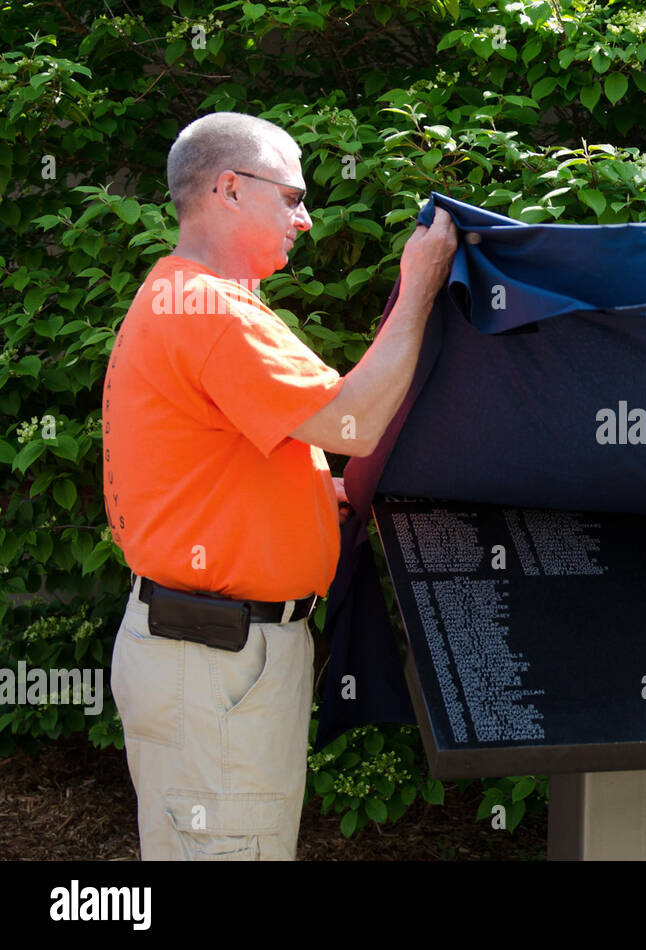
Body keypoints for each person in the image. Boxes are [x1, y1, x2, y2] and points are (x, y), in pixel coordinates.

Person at [103, 112, 457, 860]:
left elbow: (227, 458)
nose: (306, 217)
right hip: (220, 664)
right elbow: (353, 426)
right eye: (292, 196)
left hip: (196, 654)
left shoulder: (180, 296)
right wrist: (420, 284)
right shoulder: (215, 312)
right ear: (230, 189)